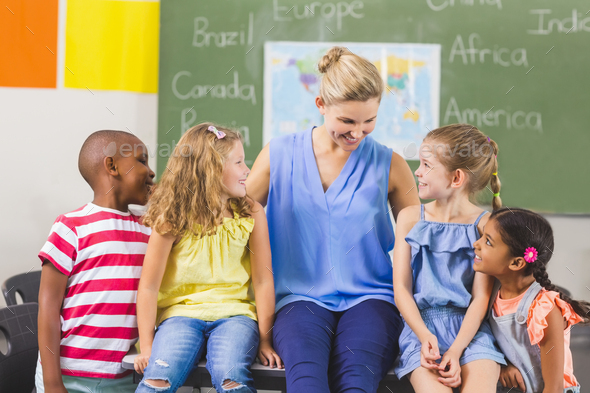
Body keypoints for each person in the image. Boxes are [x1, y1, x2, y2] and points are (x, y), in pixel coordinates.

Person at [246, 46, 419, 392]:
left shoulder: (392, 165)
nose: (358, 132)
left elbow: (421, 240)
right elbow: (233, 221)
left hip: (372, 298)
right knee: (307, 382)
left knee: (356, 382)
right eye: (347, 121)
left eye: (369, 121)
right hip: (299, 298)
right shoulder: (278, 154)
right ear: (321, 106)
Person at [133, 123, 281, 393]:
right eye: (238, 162)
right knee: (158, 378)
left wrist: (265, 341)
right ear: (211, 170)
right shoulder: (172, 216)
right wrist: (147, 345)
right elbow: (149, 286)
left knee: (231, 377)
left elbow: (262, 281)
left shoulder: (252, 213)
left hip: (236, 316)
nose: (247, 170)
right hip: (180, 316)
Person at [36, 130, 155, 393]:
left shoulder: (149, 231)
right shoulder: (71, 227)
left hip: (124, 375)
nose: (152, 172)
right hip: (69, 374)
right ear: (112, 166)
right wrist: (53, 382)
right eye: (142, 161)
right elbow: (47, 309)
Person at [392, 124, 506, 392]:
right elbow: (401, 290)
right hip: (420, 331)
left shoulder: (485, 225)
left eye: (426, 165)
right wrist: (424, 336)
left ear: (456, 178)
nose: (417, 171)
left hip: (471, 333)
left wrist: (455, 351)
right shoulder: (409, 218)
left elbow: (480, 298)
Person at [473, 208, 589, 393]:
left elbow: (554, 387)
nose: (475, 244)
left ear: (517, 263)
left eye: (487, 241)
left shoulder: (545, 309)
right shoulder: (491, 293)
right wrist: (504, 365)